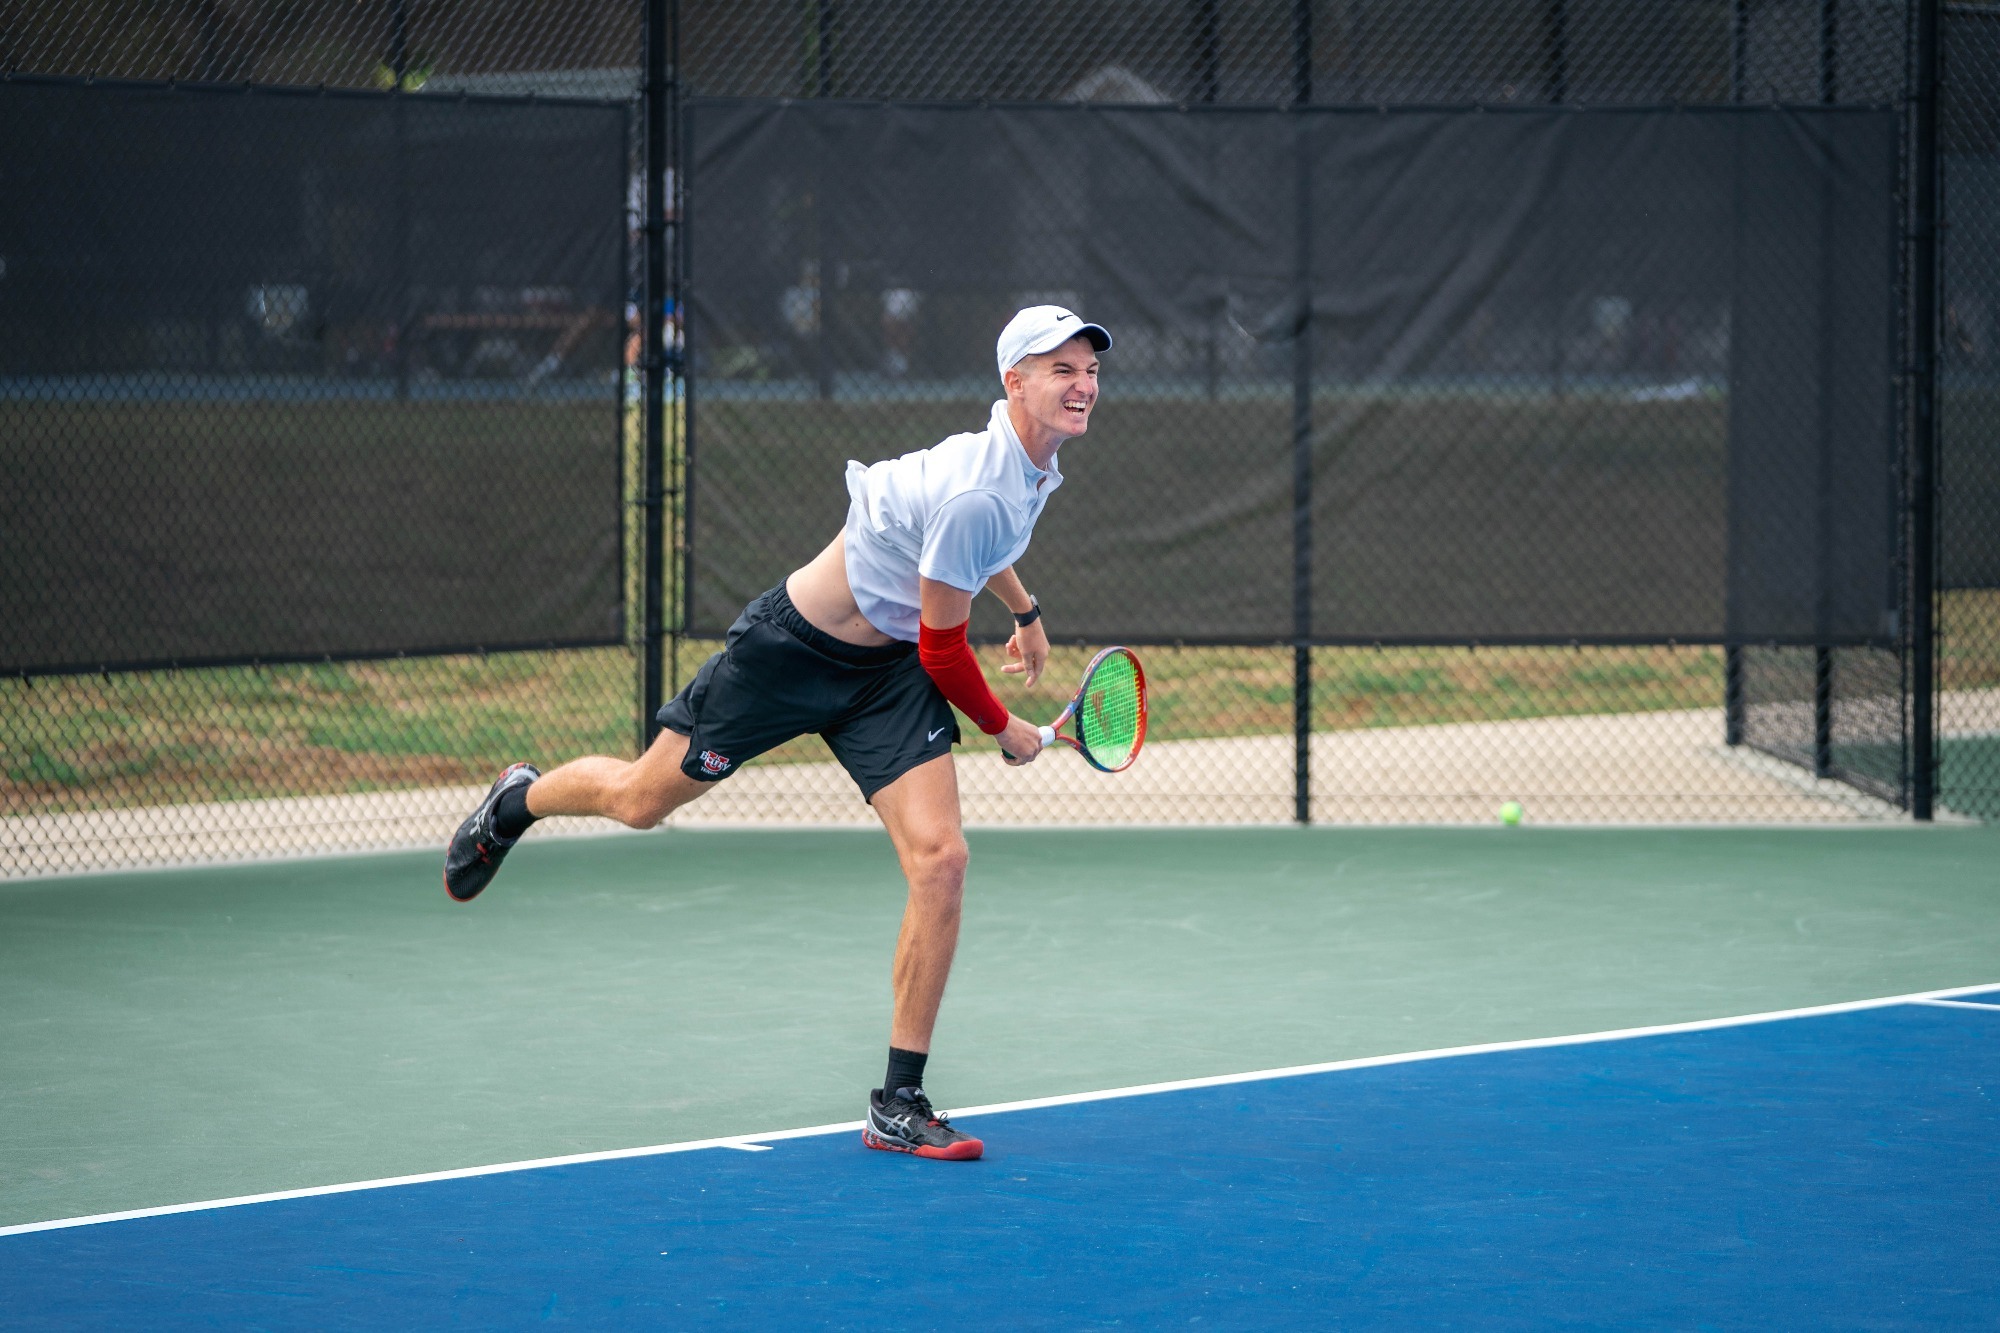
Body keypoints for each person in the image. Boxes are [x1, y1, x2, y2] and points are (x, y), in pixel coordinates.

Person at [443, 305, 1111, 1161]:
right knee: (641, 800)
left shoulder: (1022, 466)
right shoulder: (984, 481)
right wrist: (1006, 727)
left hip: (887, 676)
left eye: (1090, 368)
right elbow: (948, 650)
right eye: (1061, 368)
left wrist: (1024, 609)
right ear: (1013, 381)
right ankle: (517, 800)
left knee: (941, 860)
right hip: (794, 653)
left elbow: (976, 553)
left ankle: (897, 1101)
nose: (1083, 384)